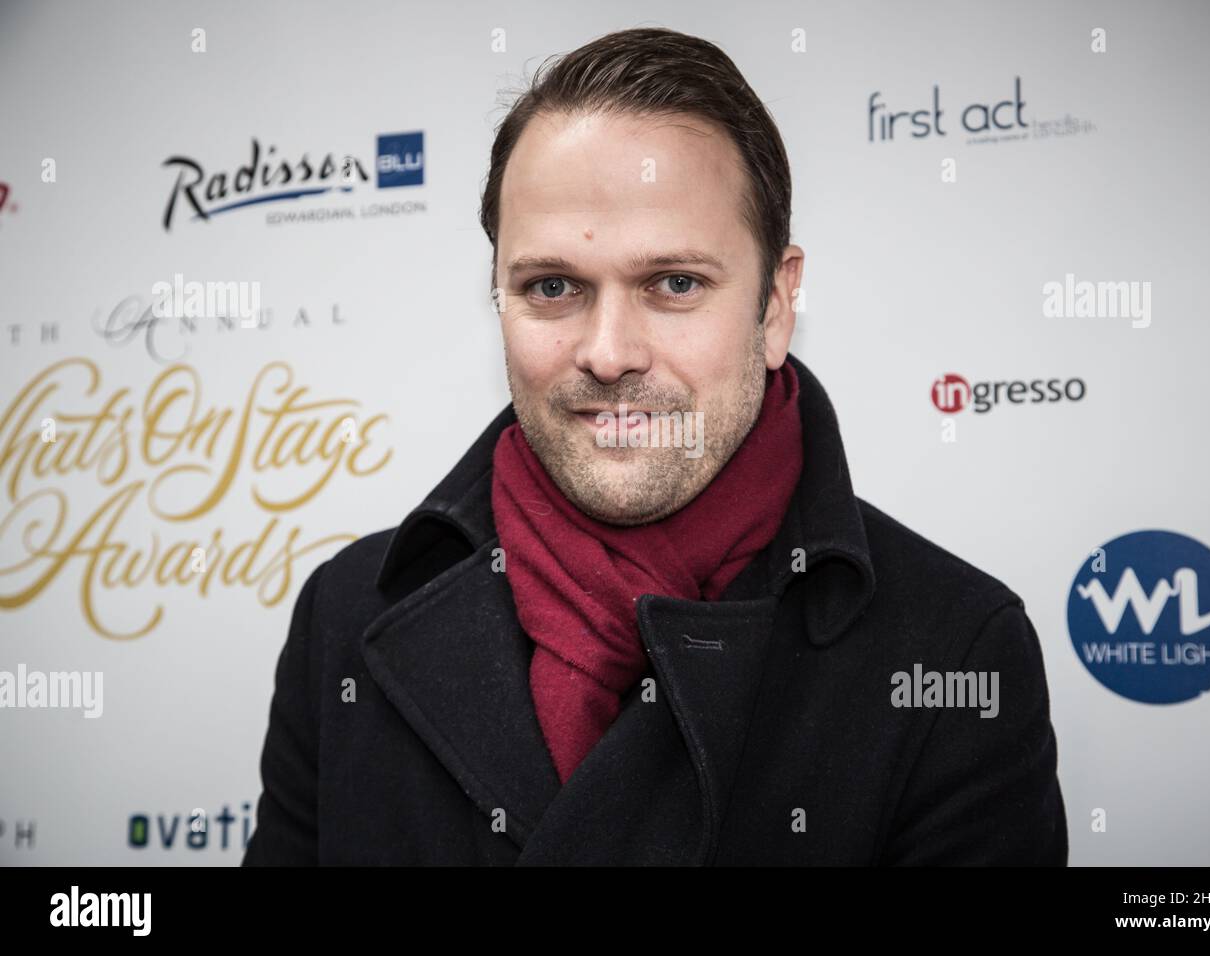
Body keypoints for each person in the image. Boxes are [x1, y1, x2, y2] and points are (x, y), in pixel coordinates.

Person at [243, 26, 1068, 865]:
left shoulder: (955, 651)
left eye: (675, 284)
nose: (608, 353)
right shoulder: (346, 615)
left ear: (776, 306)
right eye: (552, 287)